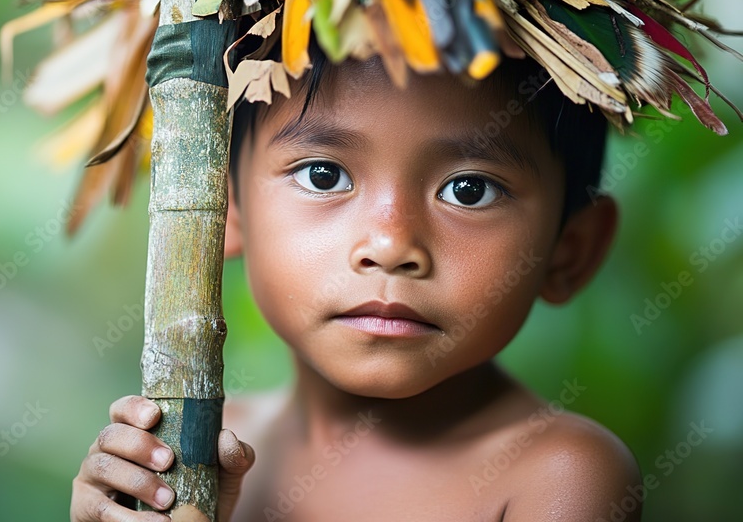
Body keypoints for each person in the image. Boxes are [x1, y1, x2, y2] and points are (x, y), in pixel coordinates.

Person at [68, 37, 646, 521]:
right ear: (224, 209)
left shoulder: (561, 475)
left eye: (470, 190)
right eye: (323, 176)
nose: (391, 245)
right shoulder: (185, 451)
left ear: (571, 250)